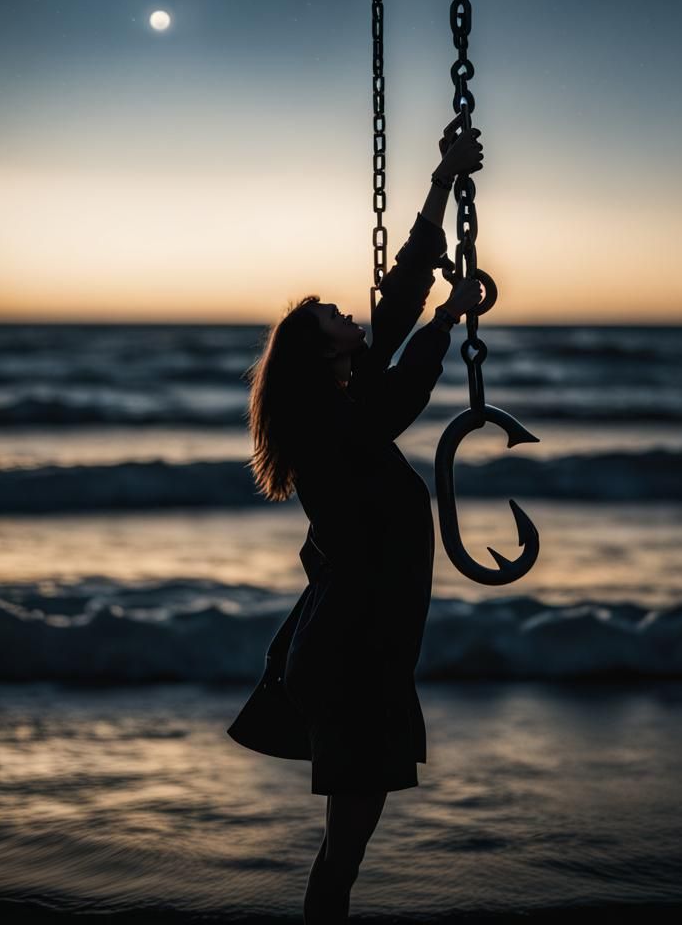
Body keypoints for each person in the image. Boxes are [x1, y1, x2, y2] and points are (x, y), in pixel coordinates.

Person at [226, 113, 485, 923]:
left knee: (346, 849)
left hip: (364, 644)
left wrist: (443, 178)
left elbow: (401, 287)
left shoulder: (340, 397)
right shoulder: (329, 423)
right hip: (352, 655)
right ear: (322, 352)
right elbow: (397, 403)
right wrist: (446, 323)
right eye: (335, 315)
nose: (350, 311)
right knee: (345, 851)